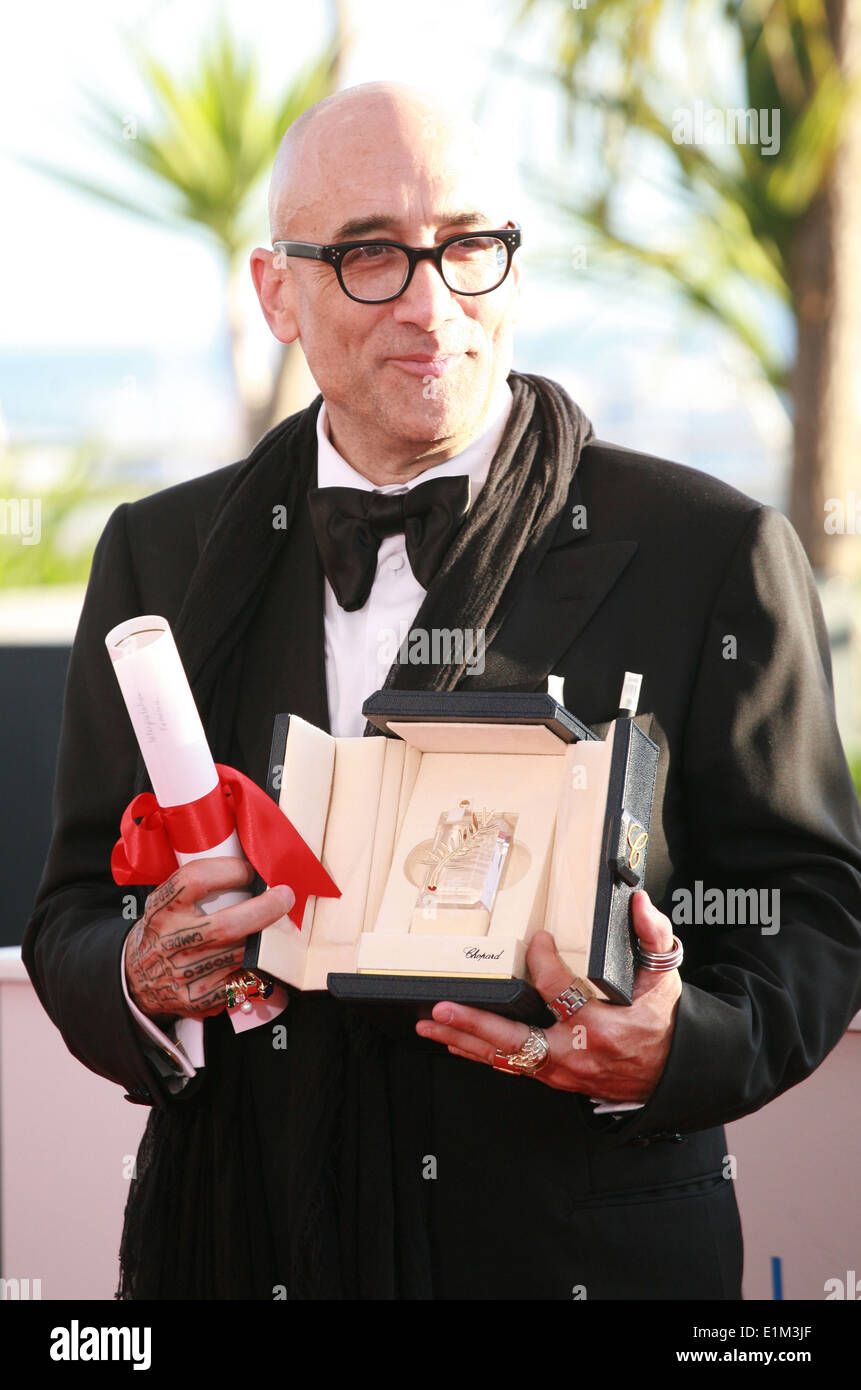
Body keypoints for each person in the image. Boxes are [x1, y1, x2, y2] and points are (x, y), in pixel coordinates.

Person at [24, 81, 861, 1301]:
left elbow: (817, 908)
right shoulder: (161, 550)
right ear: (276, 291)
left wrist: (672, 1045)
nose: (432, 303)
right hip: (234, 1243)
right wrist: (147, 974)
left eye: (469, 246)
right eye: (371, 254)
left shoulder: (708, 547)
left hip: (575, 1255)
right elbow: (68, 913)